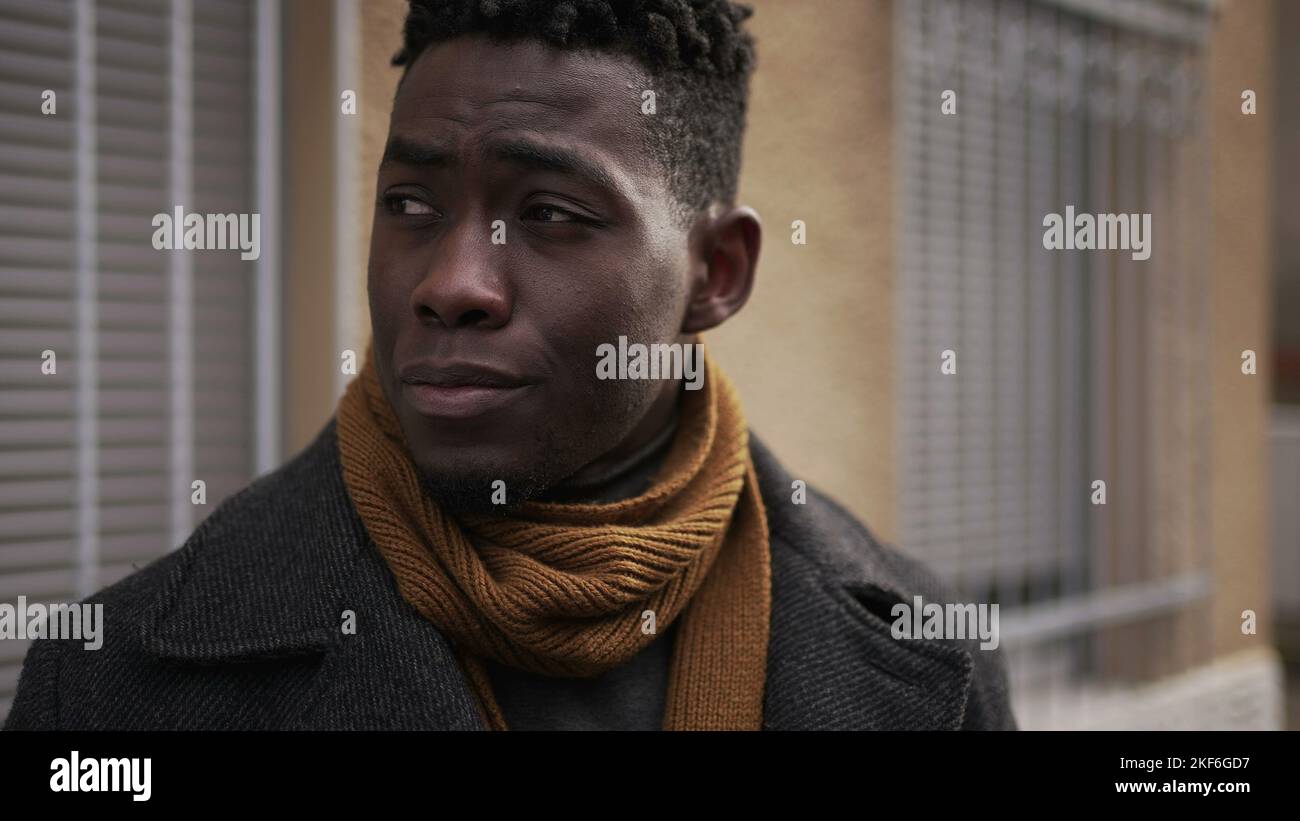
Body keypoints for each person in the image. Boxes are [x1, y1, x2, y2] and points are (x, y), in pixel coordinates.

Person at [5, 0, 1014, 731]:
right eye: (412, 204)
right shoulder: (115, 685)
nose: (453, 283)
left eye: (549, 215)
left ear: (716, 270)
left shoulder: (928, 651)